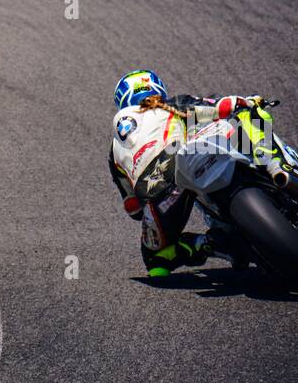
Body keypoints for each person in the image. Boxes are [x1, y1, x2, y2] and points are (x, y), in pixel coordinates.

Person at [109, 69, 262, 278]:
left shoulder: (114, 151)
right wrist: (243, 102)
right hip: (181, 162)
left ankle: (206, 244)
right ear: (157, 88)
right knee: (248, 116)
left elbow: (133, 208)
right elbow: (216, 108)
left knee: (155, 260)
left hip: (156, 196)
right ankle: (273, 166)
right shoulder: (168, 105)